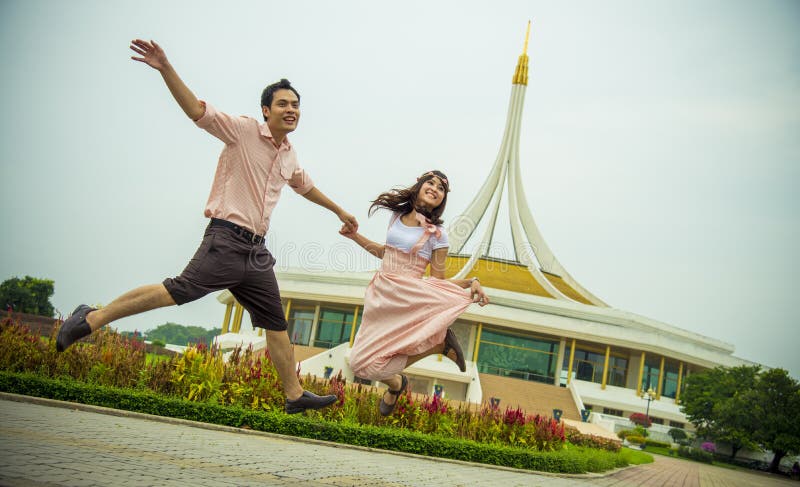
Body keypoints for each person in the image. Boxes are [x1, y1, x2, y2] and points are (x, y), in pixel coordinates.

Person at [56, 39, 359, 415]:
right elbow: (196, 109)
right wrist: (166, 67)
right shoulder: (243, 131)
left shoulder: (289, 154)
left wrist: (339, 211)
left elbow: (304, 185)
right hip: (226, 239)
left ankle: (294, 395)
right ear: (266, 111)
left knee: (275, 322)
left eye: (296, 104)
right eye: (283, 104)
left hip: (256, 251)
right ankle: (91, 319)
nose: (291, 109)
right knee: (179, 291)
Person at [339, 170, 489, 416]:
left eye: (441, 188)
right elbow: (385, 252)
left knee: (368, 366)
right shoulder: (396, 217)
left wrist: (472, 281)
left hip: (406, 299)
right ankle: (398, 384)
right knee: (358, 361)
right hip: (381, 295)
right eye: (430, 183)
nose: (434, 189)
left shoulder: (438, 235)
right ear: (419, 186)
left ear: (442, 199)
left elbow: (438, 281)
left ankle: (438, 347)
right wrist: (354, 236)